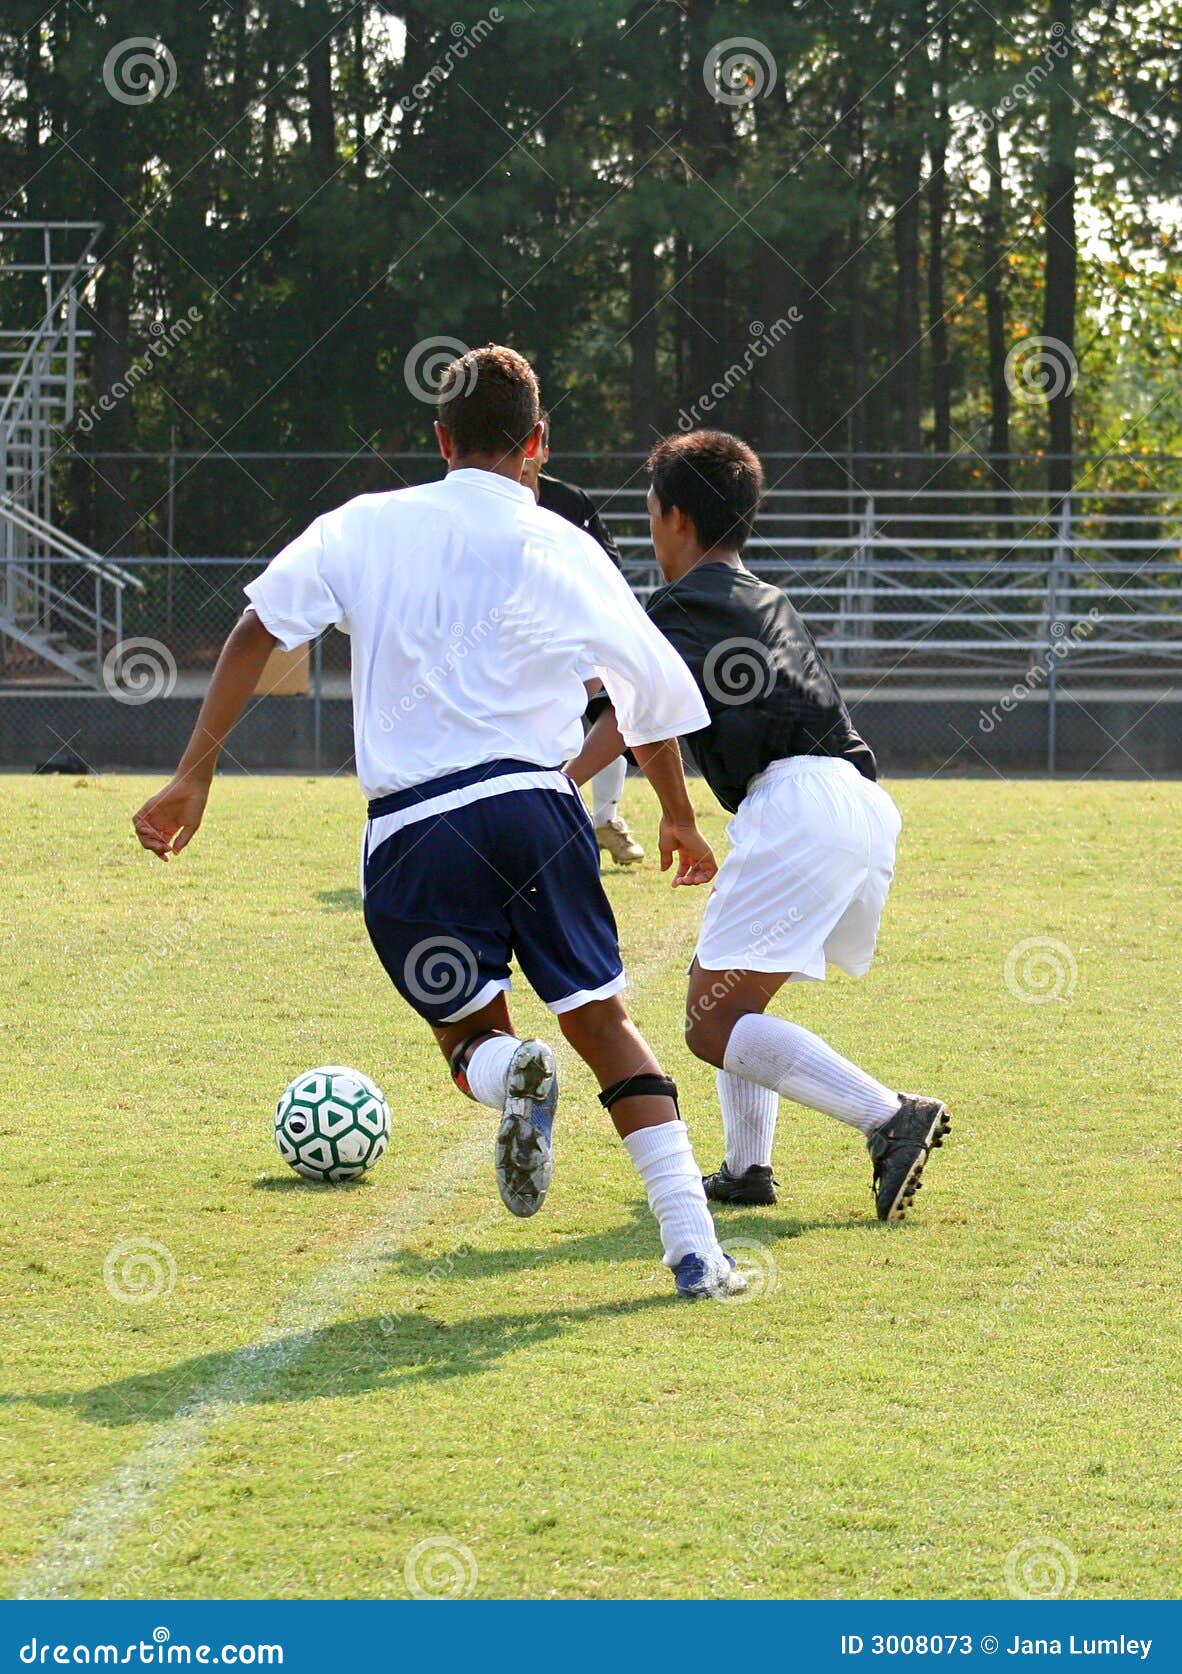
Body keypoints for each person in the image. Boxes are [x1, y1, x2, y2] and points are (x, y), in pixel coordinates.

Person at [132, 347, 745, 1300]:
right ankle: (697, 1255)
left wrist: (192, 777)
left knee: (467, 1041)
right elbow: (646, 692)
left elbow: (259, 629)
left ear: (440, 439)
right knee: (608, 1023)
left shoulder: (365, 524)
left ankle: (511, 1074)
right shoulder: (565, 545)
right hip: (540, 812)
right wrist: (676, 811)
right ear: (538, 443)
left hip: (418, 828)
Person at [565, 429, 951, 1223]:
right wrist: (678, 817)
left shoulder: (678, 605)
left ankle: (889, 1115)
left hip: (799, 807)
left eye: (650, 512)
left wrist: (555, 783)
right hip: (851, 803)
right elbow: (657, 717)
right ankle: (747, 1170)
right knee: (729, 984)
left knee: (712, 1023)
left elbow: (631, 713)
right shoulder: (763, 596)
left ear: (675, 518)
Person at [520, 411, 644, 867]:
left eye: (532, 445)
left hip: (571, 634)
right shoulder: (486, 505)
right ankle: (542, 815)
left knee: (615, 710)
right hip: (510, 640)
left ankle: (602, 817)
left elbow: (609, 566)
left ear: (543, 450)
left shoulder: (569, 501)